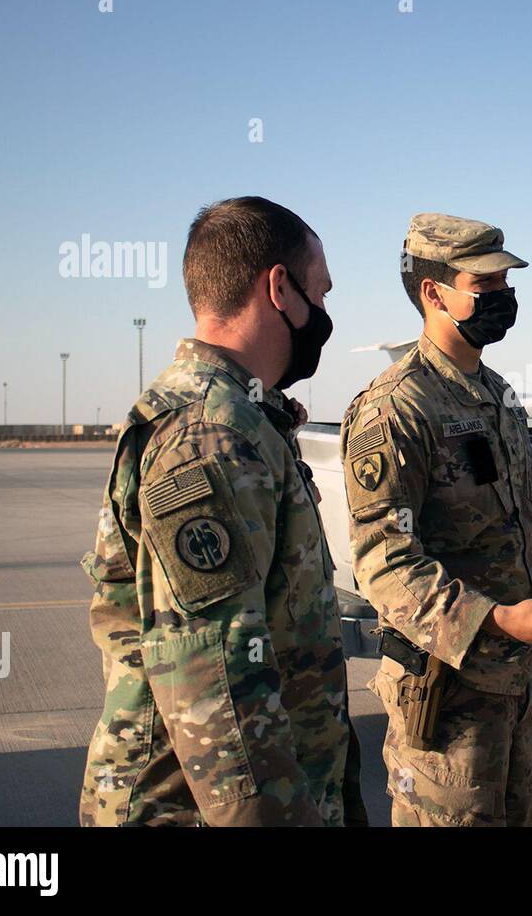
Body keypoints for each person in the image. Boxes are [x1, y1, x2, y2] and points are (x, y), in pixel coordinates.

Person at [79, 196, 365, 826]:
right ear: (279, 288)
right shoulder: (212, 438)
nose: (325, 314)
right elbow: (217, 692)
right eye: (321, 292)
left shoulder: (248, 419)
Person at [341, 212, 532, 827]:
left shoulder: (498, 396)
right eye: (487, 285)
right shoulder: (397, 408)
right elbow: (384, 563)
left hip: (512, 683)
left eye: (506, 283)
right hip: (446, 698)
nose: (503, 297)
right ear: (433, 292)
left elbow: (524, 530)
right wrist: (498, 619)